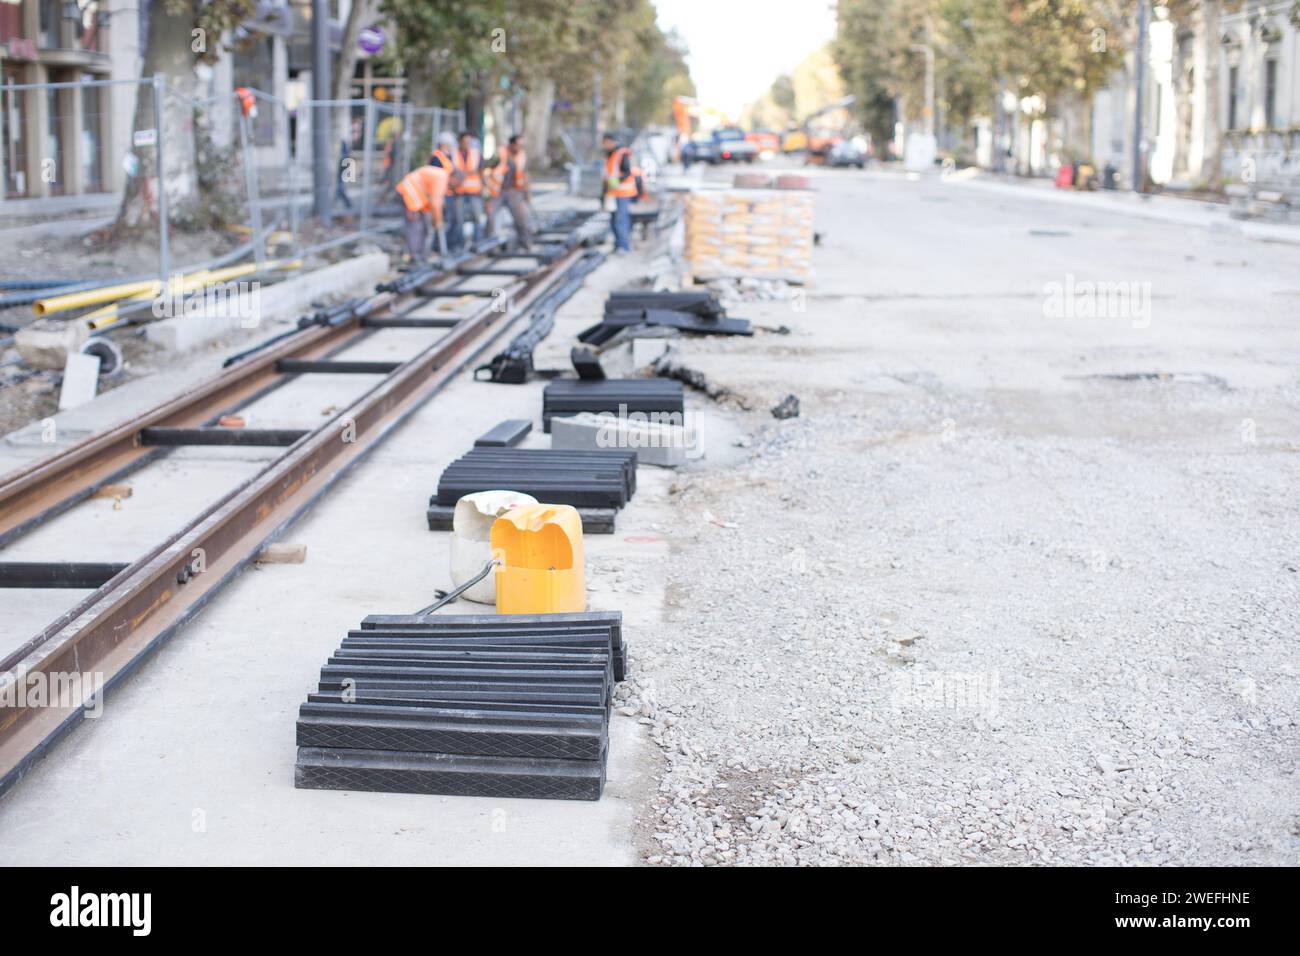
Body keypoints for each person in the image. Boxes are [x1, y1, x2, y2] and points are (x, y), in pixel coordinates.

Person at [395, 163, 449, 263]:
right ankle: (415, 255)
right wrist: (438, 221)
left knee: (422, 225)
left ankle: (420, 254)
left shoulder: (441, 176)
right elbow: (435, 204)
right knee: (416, 225)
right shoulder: (443, 178)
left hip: (416, 191)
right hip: (411, 190)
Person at [492, 135, 532, 251]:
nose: (519, 148)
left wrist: (527, 191)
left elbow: (525, 174)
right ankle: (490, 245)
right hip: (497, 191)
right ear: (511, 144)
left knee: (521, 219)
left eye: (521, 145)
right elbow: (487, 169)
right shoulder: (500, 154)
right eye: (517, 145)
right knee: (491, 218)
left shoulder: (521, 156)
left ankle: (525, 244)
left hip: (514, 191)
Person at [601, 133, 637, 253]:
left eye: (606, 143)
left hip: (623, 193)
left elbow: (627, 172)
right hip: (613, 192)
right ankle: (617, 245)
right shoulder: (610, 155)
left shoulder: (621, 153)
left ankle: (623, 246)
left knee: (621, 219)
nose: (604, 146)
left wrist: (616, 182)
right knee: (613, 220)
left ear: (611, 142)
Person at [429, 131, 463, 251]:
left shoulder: (446, 157)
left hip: (448, 192)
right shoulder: (437, 158)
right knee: (445, 221)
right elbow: (436, 177)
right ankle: (439, 247)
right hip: (442, 194)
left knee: (453, 220)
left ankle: (450, 245)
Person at [451, 130, 485, 249]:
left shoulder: (476, 154)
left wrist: (482, 187)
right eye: (465, 142)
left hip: (474, 191)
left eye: (469, 142)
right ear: (460, 142)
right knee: (458, 219)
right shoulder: (453, 154)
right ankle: (460, 244)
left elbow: (481, 171)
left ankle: (478, 241)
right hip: (459, 192)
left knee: (477, 216)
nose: (467, 144)